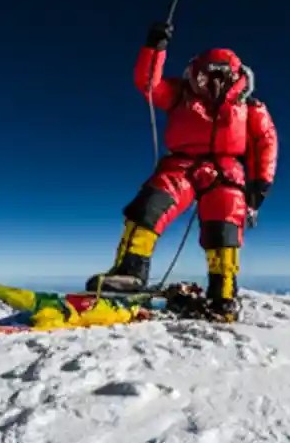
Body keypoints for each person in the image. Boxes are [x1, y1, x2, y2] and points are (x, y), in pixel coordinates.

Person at [87, 21, 278, 321]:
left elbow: (265, 142)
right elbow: (149, 84)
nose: (213, 81)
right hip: (182, 164)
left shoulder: (250, 107)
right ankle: (129, 274)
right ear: (196, 72)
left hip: (226, 171)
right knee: (150, 205)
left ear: (236, 76)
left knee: (224, 224)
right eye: (207, 74)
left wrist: (259, 185)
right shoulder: (179, 93)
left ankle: (223, 294)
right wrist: (154, 48)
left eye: (222, 75)